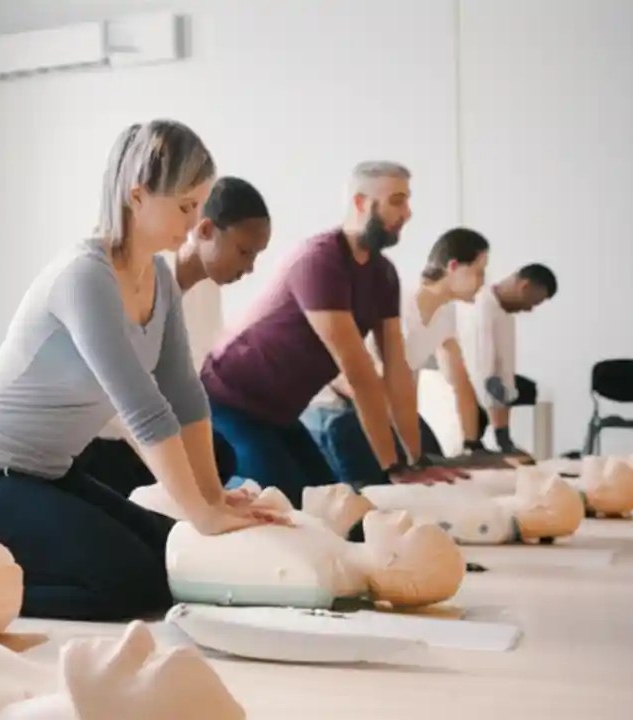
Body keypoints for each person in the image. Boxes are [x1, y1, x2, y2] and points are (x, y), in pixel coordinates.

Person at [0, 121, 285, 622]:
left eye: (200, 204)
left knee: (168, 560)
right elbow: (141, 406)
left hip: (48, 472)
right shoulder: (84, 276)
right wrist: (204, 516)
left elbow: (183, 392)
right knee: (133, 588)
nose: (196, 220)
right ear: (138, 196)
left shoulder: (158, 276)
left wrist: (212, 498)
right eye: (185, 206)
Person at [201, 161, 457, 506]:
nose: (407, 213)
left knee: (333, 505)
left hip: (279, 414)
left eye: (407, 200)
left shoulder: (383, 274)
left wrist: (417, 459)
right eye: (397, 200)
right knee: (289, 505)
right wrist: (392, 466)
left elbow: (396, 370)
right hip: (228, 401)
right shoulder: (321, 259)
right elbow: (357, 369)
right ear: (360, 202)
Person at [73, 176, 273, 497]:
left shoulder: (208, 294)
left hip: (147, 436)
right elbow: (124, 402)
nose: (249, 267)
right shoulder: (136, 278)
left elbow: (186, 389)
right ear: (205, 231)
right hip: (97, 439)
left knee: (220, 453)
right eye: (244, 252)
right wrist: (179, 480)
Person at [302, 228, 491, 483]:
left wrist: (473, 446)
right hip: (336, 407)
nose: (483, 281)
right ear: (453, 267)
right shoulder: (401, 304)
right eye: (478, 272)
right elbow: (350, 375)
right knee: (391, 478)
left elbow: (460, 382)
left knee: (433, 462)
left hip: (381, 405)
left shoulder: (445, 316)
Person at [457, 263, 558, 456]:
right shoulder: (479, 308)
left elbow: (503, 374)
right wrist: (502, 439)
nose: (529, 310)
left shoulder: (504, 313)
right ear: (524, 287)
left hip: (482, 409)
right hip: (460, 410)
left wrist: (504, 439)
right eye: (532, 302)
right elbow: (484, 375)